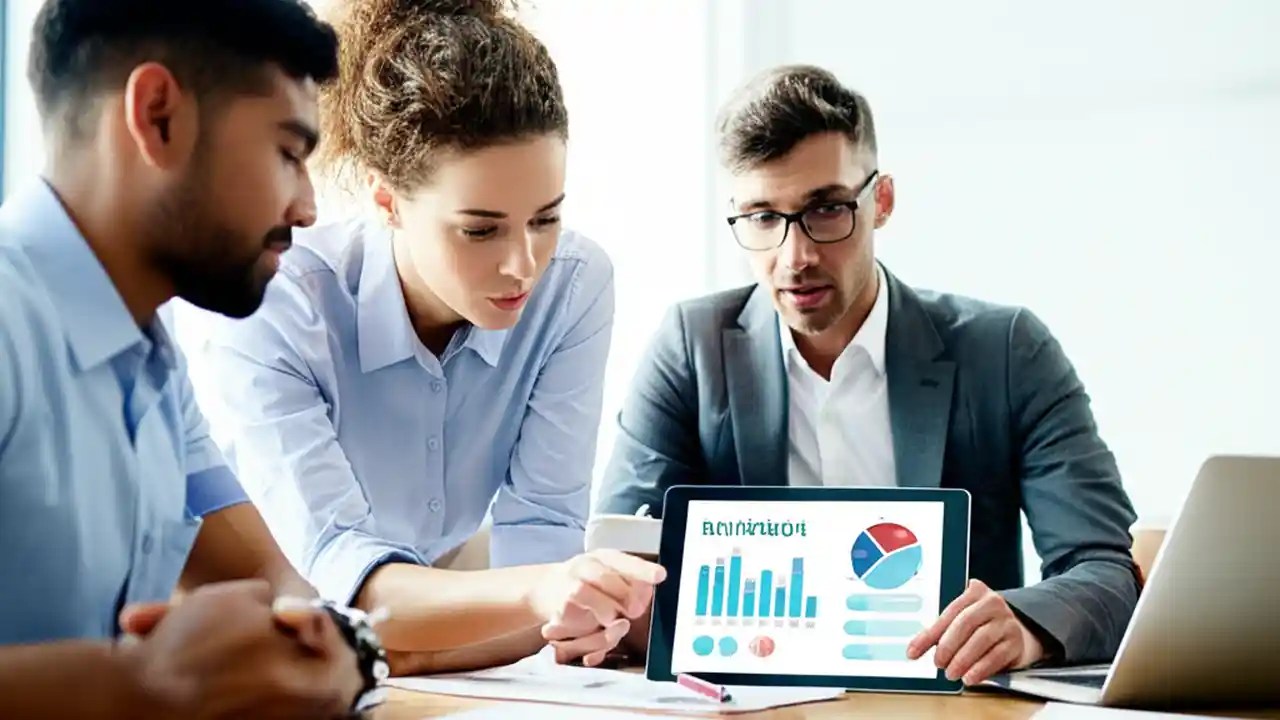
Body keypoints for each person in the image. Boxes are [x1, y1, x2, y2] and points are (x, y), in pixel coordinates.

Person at [597, 65, 1141, 685]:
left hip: (946, 704)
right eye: (762, 218)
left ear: (880, 201)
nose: (794, 257)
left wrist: (1023, 625)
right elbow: (619, 567)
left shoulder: (1008, 351)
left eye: (826, 211)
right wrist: (608, 614)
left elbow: (1108, 574)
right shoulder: (690, 350)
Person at [181, 0, 663, 674]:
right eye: (480, 229)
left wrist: (558, 608)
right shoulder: (278, 300)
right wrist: (537, 604)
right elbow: (344, 580)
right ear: (387, 202)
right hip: (233, 637)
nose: (523, 264)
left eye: (546, 218)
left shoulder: (574, 285)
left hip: (386, 643)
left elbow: (545, 546)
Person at [0, 1, 368, 717]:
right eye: (289, 153)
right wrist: (139, 687)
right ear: (158, 116)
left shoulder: (153, 363)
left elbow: (269, 578)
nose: (308, 206)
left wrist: (315, 645)